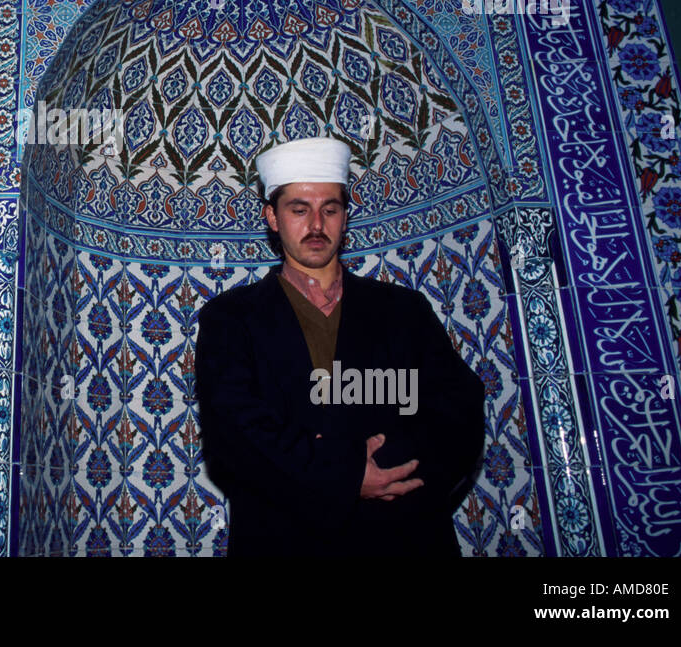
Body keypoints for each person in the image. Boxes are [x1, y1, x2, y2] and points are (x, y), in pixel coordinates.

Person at [195, 136, 485, 556]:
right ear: (272, 218)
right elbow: (236, 436)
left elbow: (457, 411)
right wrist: (348, 477)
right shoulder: (231, 319)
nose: (316, 225)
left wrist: (389, 478)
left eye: (330, 209)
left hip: (404, 539)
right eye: (299, 209)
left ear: (345, 217)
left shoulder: (404, 311)